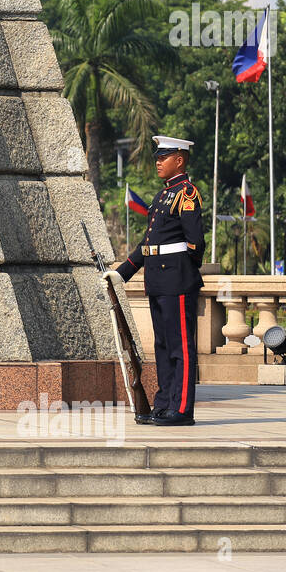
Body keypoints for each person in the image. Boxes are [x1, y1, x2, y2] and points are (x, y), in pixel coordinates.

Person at [113, 136, 206, 426]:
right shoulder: (163, 195)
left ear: (179, 159)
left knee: (181, 348)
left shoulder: (187, 194)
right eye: (158, 156)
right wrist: (122, 272)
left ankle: (181, 409)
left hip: (176, 280)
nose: (158, 161)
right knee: (163, 346)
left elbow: (195, 244)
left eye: (164, 156)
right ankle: (164, 403)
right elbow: (149, 243)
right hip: (157, 280)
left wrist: (181, 272)